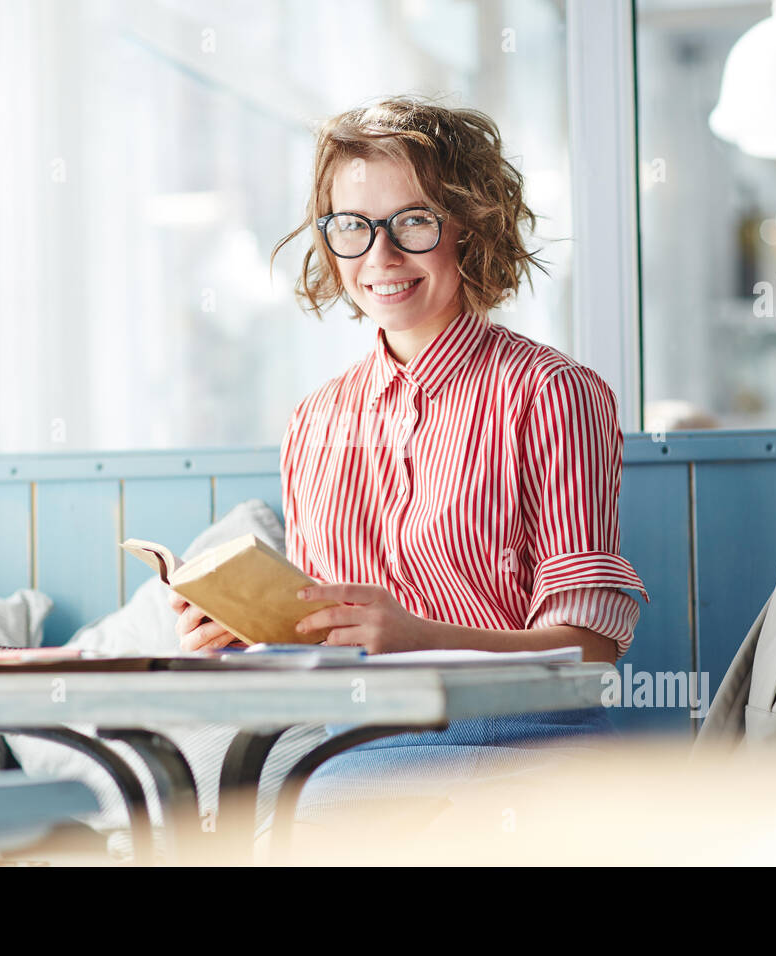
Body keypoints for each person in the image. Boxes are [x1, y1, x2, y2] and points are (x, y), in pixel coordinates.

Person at [168, 96, 649, 821]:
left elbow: (588, 653)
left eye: (414, 223)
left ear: (471, 227)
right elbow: (324, 648)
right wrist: (248, 635)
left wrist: (419, 639)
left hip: (531, 757)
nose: (381, 257)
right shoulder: (313, 421)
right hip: (351, 764)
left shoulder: (555, 394)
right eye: (353, 227)